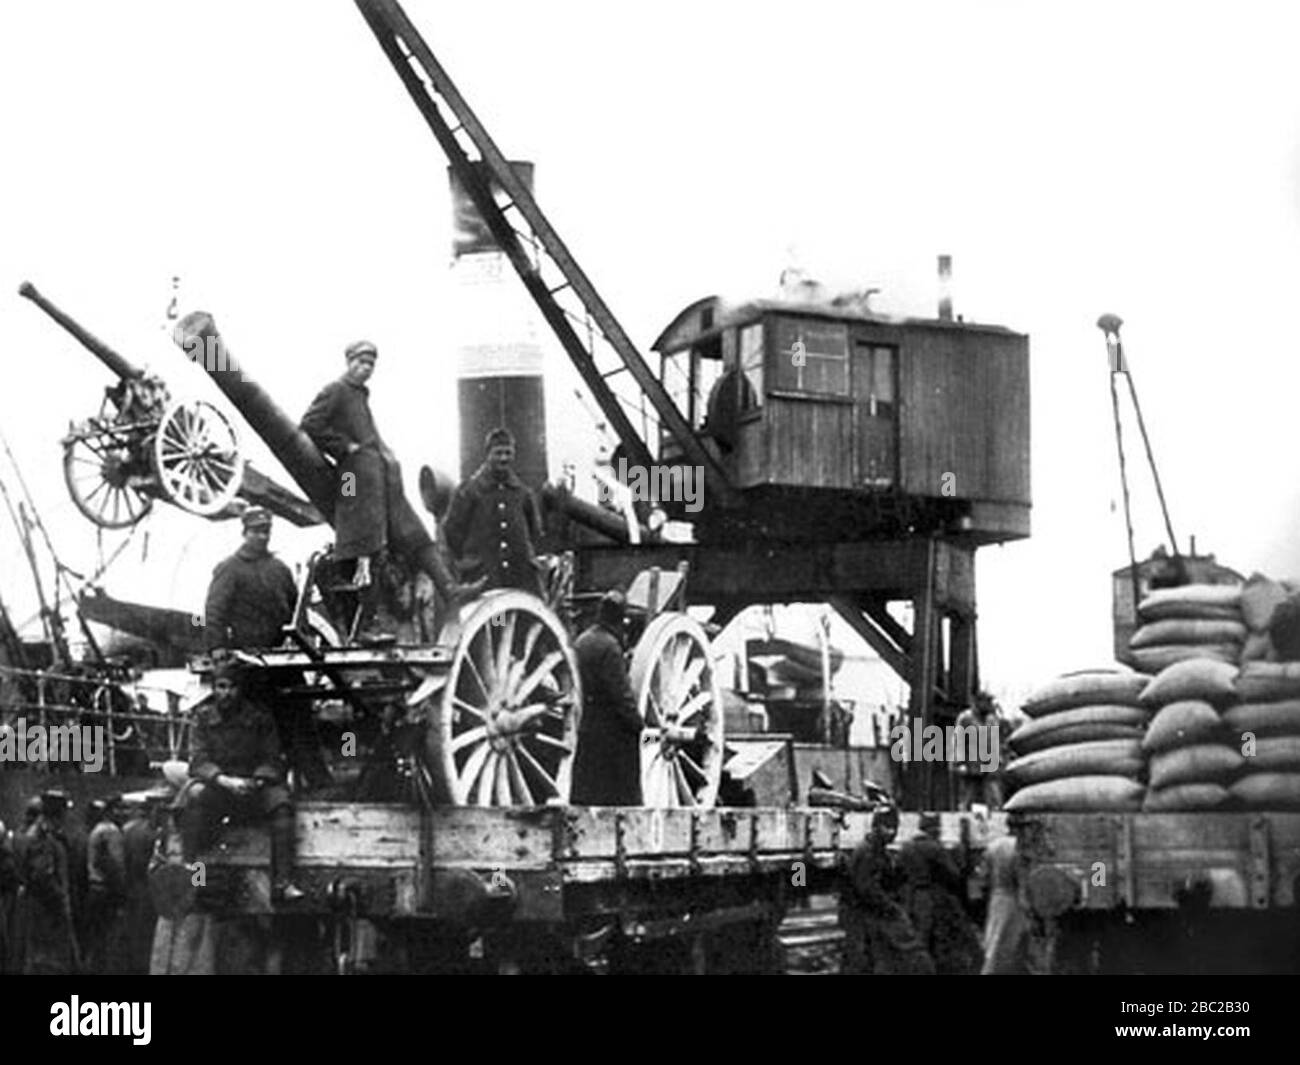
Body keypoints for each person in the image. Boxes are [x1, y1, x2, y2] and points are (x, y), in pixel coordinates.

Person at [300, 340, 472, 617]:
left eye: (370, 364)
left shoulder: (358, 395)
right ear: (349, 362)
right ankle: (371, 622)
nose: (365, 368)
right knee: (367, 549)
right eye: (360, 362)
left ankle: (450, 589)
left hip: (384, 483)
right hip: (355, 479)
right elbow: (310, 423)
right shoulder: (336, 391)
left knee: (416, 536)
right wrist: (344, 448)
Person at [176, 660, 304, 902]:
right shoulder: (202, 718)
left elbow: (273, 757)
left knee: (282, 805)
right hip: (220, 789)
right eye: (221, 686)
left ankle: (283, 882)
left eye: (232, 687)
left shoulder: (259, 718)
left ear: (240, 689)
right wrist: (223, 780)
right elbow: (198, 760)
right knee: (194, 797)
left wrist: (256, 781)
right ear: (213, 688)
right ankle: (191, 874)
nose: (226, 693)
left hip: (253, 788)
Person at [443, 428, 545, 596]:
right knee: (496, 621)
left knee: (523, 620)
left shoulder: (522, 494)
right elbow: (452, 531)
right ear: (488, 455)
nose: (503, 458)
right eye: (498, 453)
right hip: (484, 578)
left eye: (508, 453)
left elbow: (534, 532)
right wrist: (471, 560)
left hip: (520, 578)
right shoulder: (469, 491)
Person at [839, 805, 934, 975]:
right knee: (859, 959)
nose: (891, 832)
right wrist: (892, 908)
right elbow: (867, 889)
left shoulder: (879, 851)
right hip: (859, 914)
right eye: (886, 827)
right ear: (875, 827)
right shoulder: (866, 852)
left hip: (871, 912)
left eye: (894, 828)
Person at [570, 591, 644, 806]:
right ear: (620, 619)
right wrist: (639, 724)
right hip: (611, 732)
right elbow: (620, 694)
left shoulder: (582, 641)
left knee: (587, 788)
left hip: (586, 724)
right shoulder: (610, 647)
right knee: (620, 791)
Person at [897, 812, 982, 975]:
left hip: (909, 896)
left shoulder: (906, 848)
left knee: (913, 936)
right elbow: (953, 874)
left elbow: (899, 873)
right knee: (933, 938)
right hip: (929, 896)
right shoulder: (934, 848)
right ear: (934, 828)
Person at [204, 507, 298, 651]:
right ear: (245, 533)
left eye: (266, 532)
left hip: (279, 651)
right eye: (256, 532)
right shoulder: (230, 568)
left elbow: (295, 608)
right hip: (245, 651)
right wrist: (217, 646)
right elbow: (215, 611)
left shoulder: (280, 569)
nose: (262, 537)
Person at [19, 790, 79, 974]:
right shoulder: (42, 837)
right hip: (46, 913)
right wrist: (60, 901)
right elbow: (42, 875)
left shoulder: (37, 833)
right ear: (58, 812)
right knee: (47, 963)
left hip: (41, 910)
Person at [84, 797, 128, 974]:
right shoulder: (110, 831)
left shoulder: (96, 830)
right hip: (106, 891)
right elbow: (115, 865)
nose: (123, 814)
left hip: (95, 889)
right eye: (120, 809)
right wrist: (121, 895)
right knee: (109, 938)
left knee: (97, 939)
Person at [977, 833, 1030, 975]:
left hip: (996, 896)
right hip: (1014, 898)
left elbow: (983, 877)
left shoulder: (992, 846)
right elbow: (1022, 878)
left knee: (994, 938)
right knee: (1010, 939)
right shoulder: (1019, 848)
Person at [120, 798, 158, 975]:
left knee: (133, 931)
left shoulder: (127, 829)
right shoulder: (152, 833)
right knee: (145, 933)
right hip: (149, 887)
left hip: (131, 885)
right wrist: (200, 884)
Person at [954, 692, 1005, 811]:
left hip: (989, 765)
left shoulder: (991, 719)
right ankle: (964, 823)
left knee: (995, 799)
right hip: (971, 765)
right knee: (967, 799)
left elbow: (995, 740)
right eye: (986, 702)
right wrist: (960, 763)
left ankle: (996, 823)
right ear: (977, 702)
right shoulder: (966, 718)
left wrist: (999, 758)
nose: (989, 705)